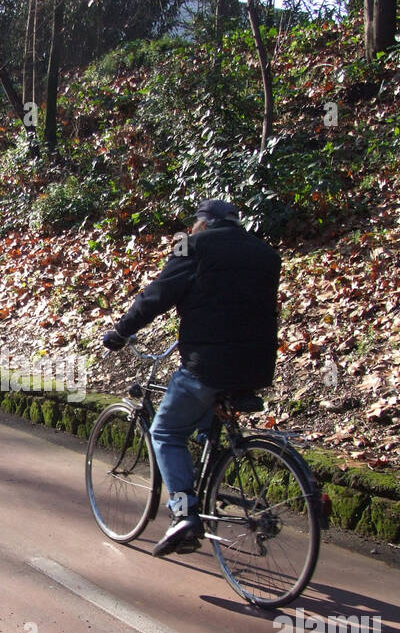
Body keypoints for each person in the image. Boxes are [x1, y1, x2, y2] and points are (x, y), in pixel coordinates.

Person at [103, 199, 281, 556]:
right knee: (203, 422)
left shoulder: (190, 243)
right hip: (257, 365)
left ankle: (183, 515)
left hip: (208, 363)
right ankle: (213, 481)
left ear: (202, 223)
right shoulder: (265, 251)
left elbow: (158, 294)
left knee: (165, 431)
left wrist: (121, 331)